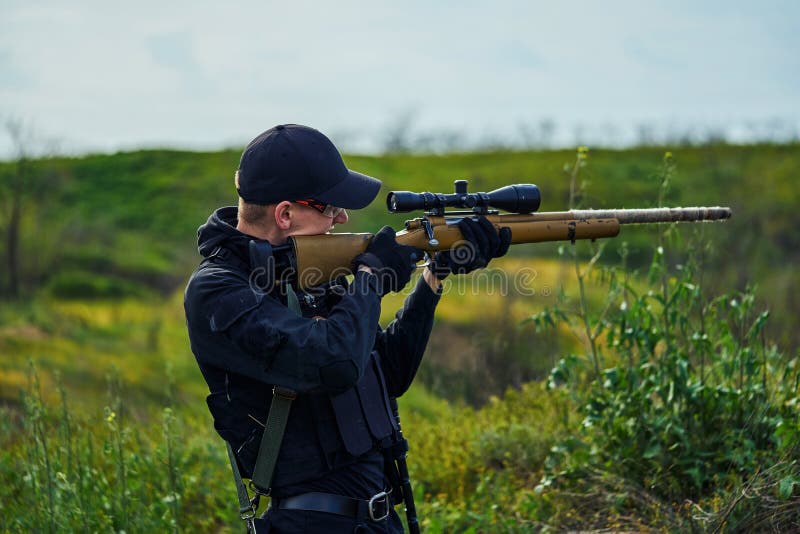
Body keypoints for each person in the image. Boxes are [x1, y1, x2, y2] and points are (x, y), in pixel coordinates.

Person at [184, 124, 510, 533]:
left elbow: (387, 373)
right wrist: (370, 279)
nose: (342, 217)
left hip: (378, 517)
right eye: (329, 207)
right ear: (285, 214)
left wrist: (434, 275)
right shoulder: (218, 291)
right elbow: (333, 362)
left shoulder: (312, 273)